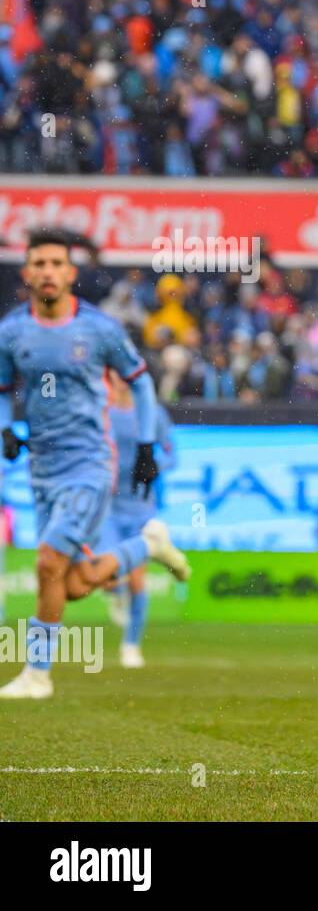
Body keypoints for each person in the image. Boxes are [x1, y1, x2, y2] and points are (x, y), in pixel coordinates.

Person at [0, 231, 191, 700]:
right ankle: (146, 546)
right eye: (38, 263)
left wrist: (146, 447)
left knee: (47, 563)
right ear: (27, 273)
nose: (47, 271)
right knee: (73, 583)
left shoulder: (100, 329)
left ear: (70, 273)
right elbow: (4, 391)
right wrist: (7, 428)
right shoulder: (11, 332)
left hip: (89, 464)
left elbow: (142, 384)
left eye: (56, 263)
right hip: (41, 467)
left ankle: (37, 675)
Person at [104, 371, 177, 668]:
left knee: (137, 579)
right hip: (107, 506)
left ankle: (131, 645)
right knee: (107, 573)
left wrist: (152, 465)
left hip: (141, 506)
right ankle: (115, 591)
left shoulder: (152, 412)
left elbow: (173, 454)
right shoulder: (101, 410)